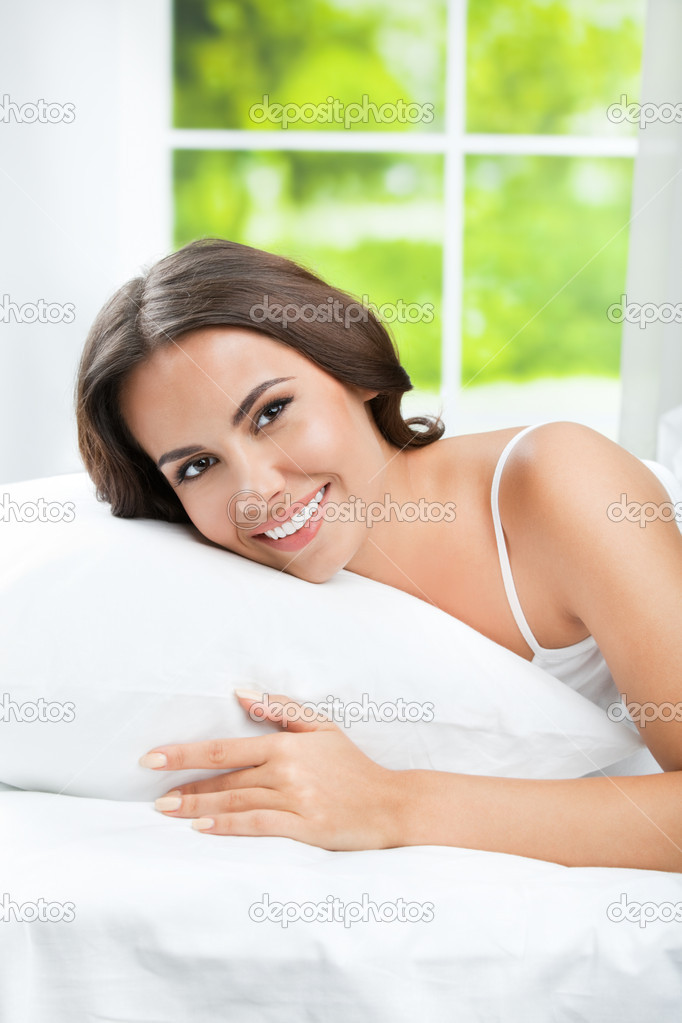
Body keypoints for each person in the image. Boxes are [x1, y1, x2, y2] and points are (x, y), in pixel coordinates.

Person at [75, 237, 682, 870]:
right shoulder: (218, 566)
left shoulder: (562, 482)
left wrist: (392, 804)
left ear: (353, 370)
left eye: (271, 412)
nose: (256, 492)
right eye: (199, 465)